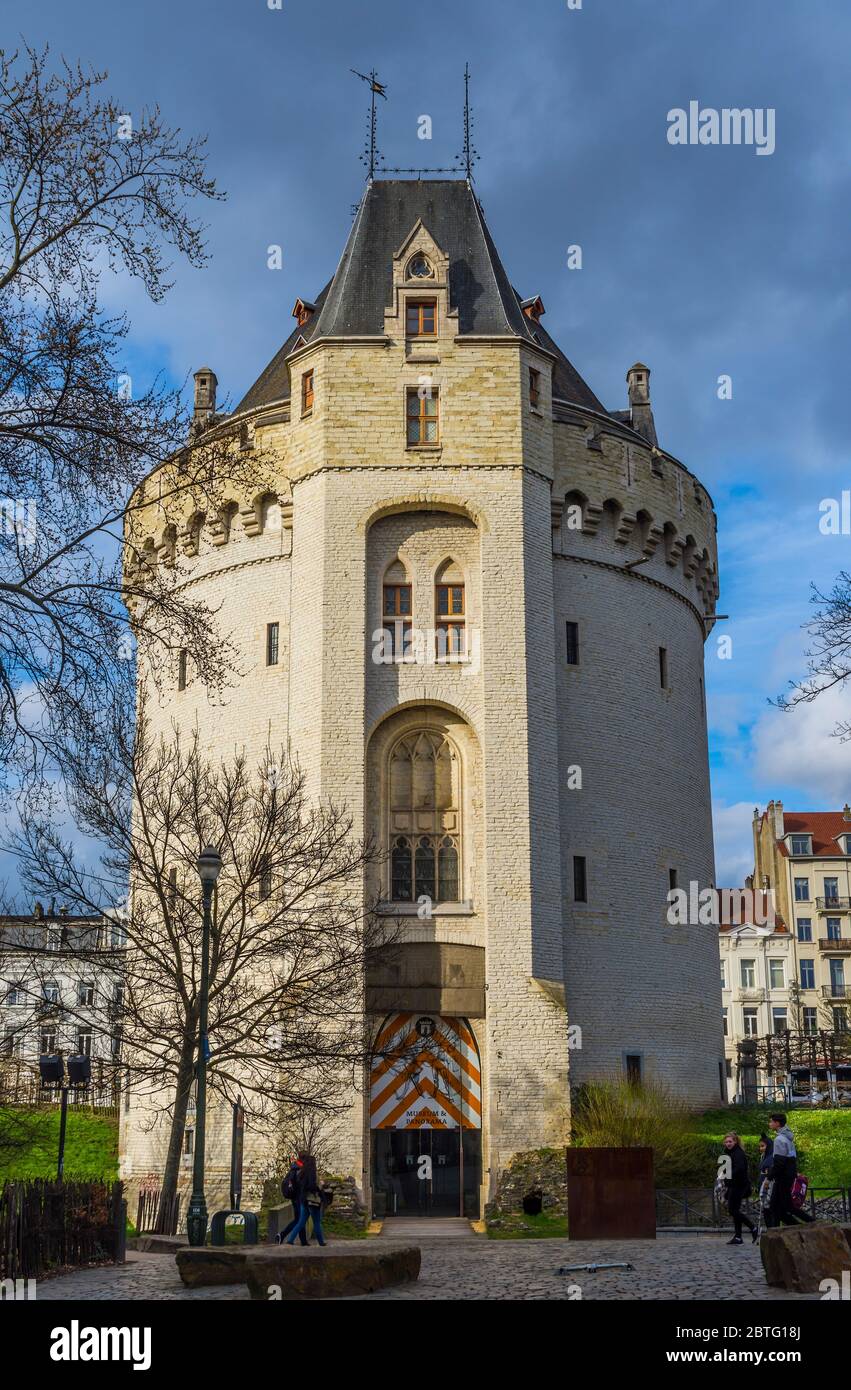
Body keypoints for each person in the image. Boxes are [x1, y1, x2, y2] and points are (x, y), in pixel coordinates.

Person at [767, 1113, 813, 1227]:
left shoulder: (779, 1139)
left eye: (771, 1121)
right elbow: (791, 1158)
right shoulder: (788, 1137)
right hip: (789, 1175)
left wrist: (769, 1177)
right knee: (779, 1207)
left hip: (782, 1177)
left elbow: (779, 1162)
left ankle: (809, 1224)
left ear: (777, 1123)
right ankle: (802, 1225)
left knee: (781, 1206)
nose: (770, 1124)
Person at [721, 1132, 757, 1245]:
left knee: (733, 1210)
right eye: (726, 1142)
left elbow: (740, 1169)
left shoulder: (738, 1153)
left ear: (735, 1142)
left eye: (730, 1141)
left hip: (739, 1185)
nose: (728, 1144)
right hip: (733, 1185)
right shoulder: (730, 1153)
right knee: (734, 1210)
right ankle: (738, 1236)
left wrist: (727, 1176)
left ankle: (753, 1227)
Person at [286, 1152, 327, 1247]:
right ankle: (321, 1242)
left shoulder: (301, 1173)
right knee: (317, 1222)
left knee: (301, 1222)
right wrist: (319, 1187)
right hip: (312, 1200)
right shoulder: (312, 1174)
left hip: (303, 1200)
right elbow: (313, 1187)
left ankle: (290, 1240)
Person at [277, 1157, 307, 1245]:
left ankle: (303, 1241)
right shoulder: (299, 1170)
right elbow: (300, 1185)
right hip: (298, 1198)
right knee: (300, 1220)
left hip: (294, 1198)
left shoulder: (293, 1169)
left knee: (299, 1219)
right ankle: (282, 1235)